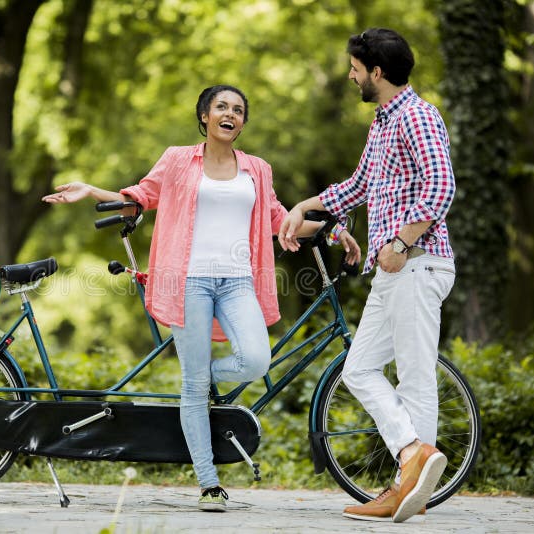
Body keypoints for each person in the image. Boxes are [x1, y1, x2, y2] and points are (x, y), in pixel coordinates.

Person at [43, 85, 352, 512]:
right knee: (192, 387)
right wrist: (93, 191)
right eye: (221, 107)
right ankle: (209, 483)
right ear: (204, 116)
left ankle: (202, 374)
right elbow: (140, 196)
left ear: (243, 122)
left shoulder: (257, 170)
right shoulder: (177, 160)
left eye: (238, 110)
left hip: (239, 281)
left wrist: (332, 231)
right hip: (188, 281)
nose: (230, 114)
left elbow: (281, 219)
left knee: (256, 360)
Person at [279, 28, 456, 523]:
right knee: (358, 370)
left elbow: (442, 187)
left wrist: (402, 243)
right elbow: (360, 185)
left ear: (376, 71)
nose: (350, 74)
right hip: (395, 269)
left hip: (416, 263)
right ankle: (411, 461)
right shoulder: (384, 121)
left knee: (416, 378)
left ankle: (408, 485)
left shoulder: (418, 115)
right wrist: (305, 204)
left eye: (355, 67)